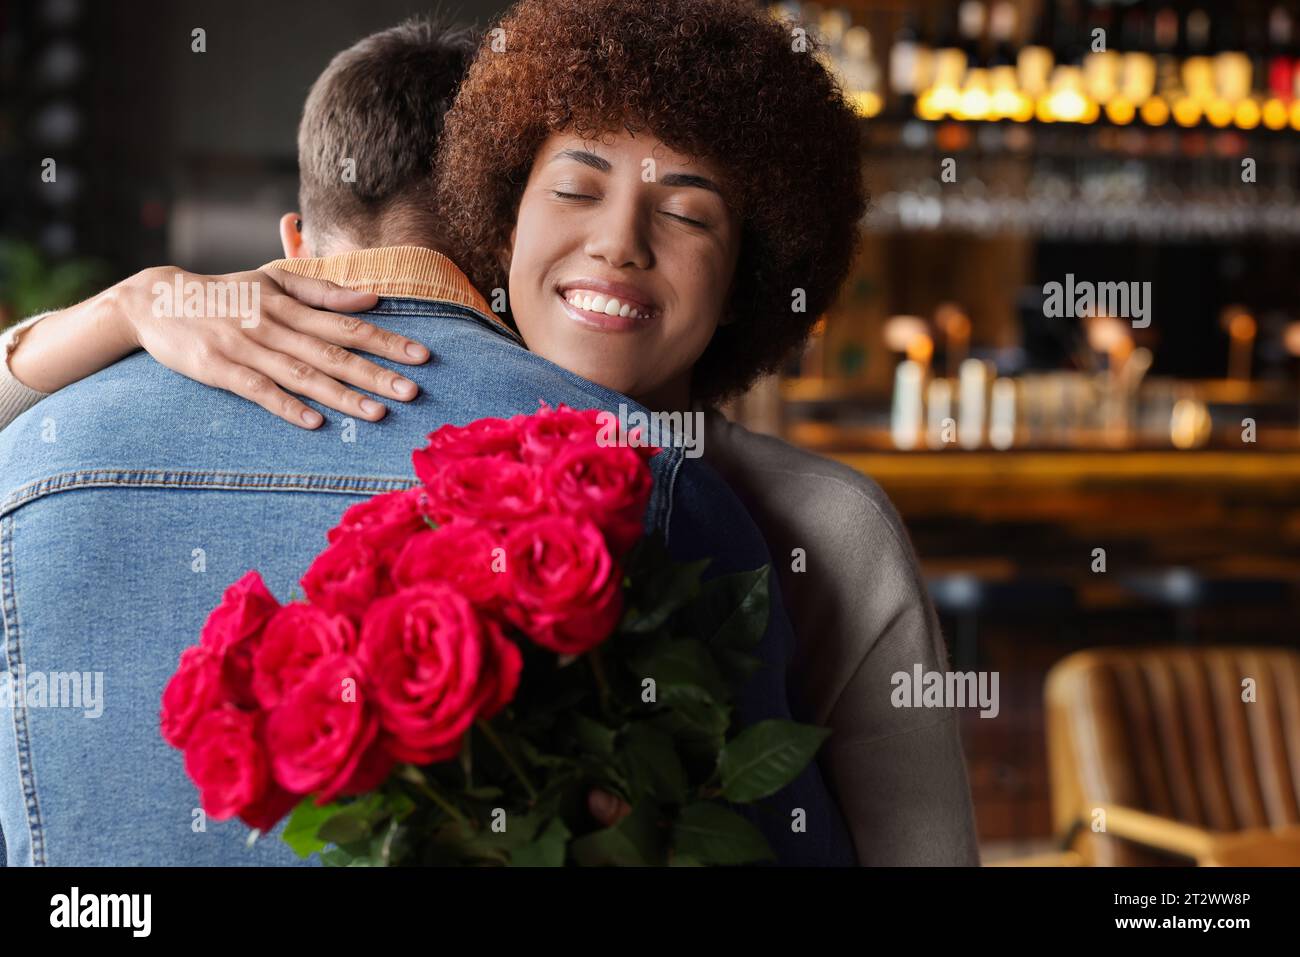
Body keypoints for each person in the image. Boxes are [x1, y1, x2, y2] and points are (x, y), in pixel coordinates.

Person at [1, 0, 980, 864]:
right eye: (575, 189)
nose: (618, 242)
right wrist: (119, 312)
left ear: (750, 281)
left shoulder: (811, 524)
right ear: (493, 231)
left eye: (687, 214)